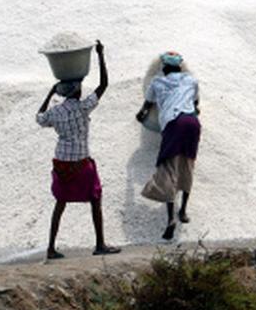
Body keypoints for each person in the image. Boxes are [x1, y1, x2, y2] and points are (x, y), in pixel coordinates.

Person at [36, 39, 121, 259]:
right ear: (78, 90)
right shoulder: (84, 107)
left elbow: (39, 118)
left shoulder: (55, 112)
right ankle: (100, 244)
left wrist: (49, 93)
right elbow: (103, 85)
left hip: (62, 163)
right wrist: (100, 55)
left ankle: (51, 248)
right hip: (82, 163)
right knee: (95, 199)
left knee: (60, 203)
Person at [136, 51, 201, 240]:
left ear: (164, 67)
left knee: (168, 168)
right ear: (179, 67)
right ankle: (183, 211)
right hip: (192, 123)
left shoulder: (157, 82)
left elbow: (147, 105)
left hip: (174, 124)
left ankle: (171, 219)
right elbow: (196, 104)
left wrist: (141, 114)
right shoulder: (191, 81)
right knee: (187, 165)